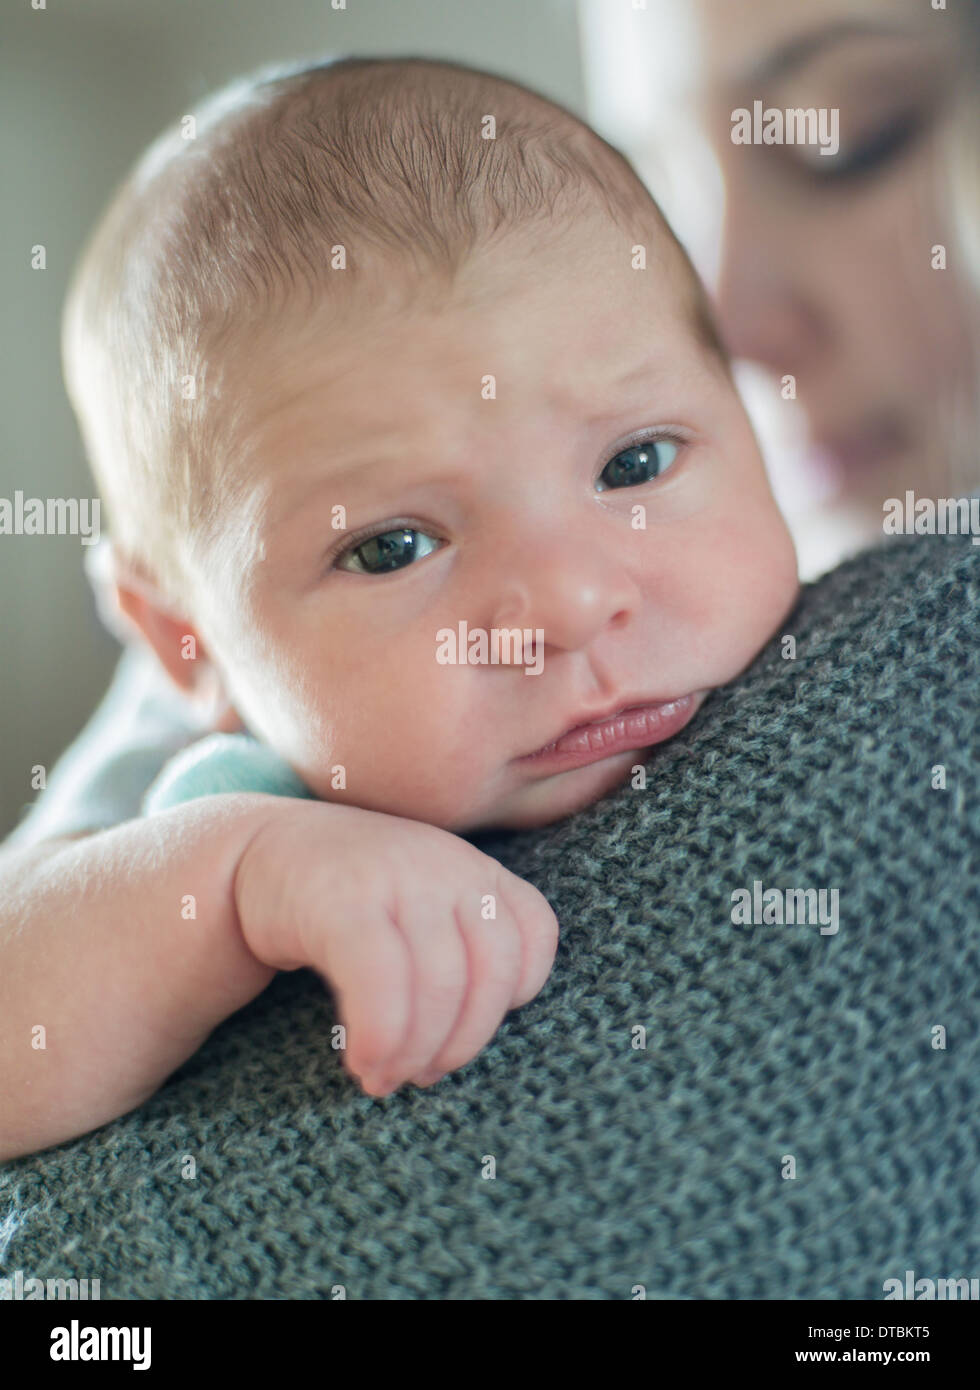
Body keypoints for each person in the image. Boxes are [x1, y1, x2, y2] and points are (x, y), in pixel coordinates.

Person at [0, 55, 799, 1162]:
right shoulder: (207, 774)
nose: (569, 602)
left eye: (634, 464)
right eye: (391, 546)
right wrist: (245, 876)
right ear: (188, 642)